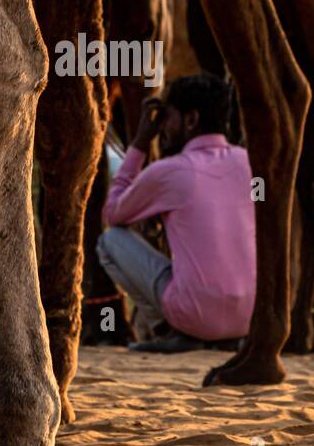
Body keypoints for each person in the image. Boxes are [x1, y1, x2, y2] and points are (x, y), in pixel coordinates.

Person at [96, 73, 256, 352]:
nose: (163, 128)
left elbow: (112, 214)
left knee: (110, 241)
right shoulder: (249, 163)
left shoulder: (170, 171)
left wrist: (141, 142)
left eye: (166, 117)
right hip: (249, 317)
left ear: (191, 120)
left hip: (194, 316)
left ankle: (167, 329)